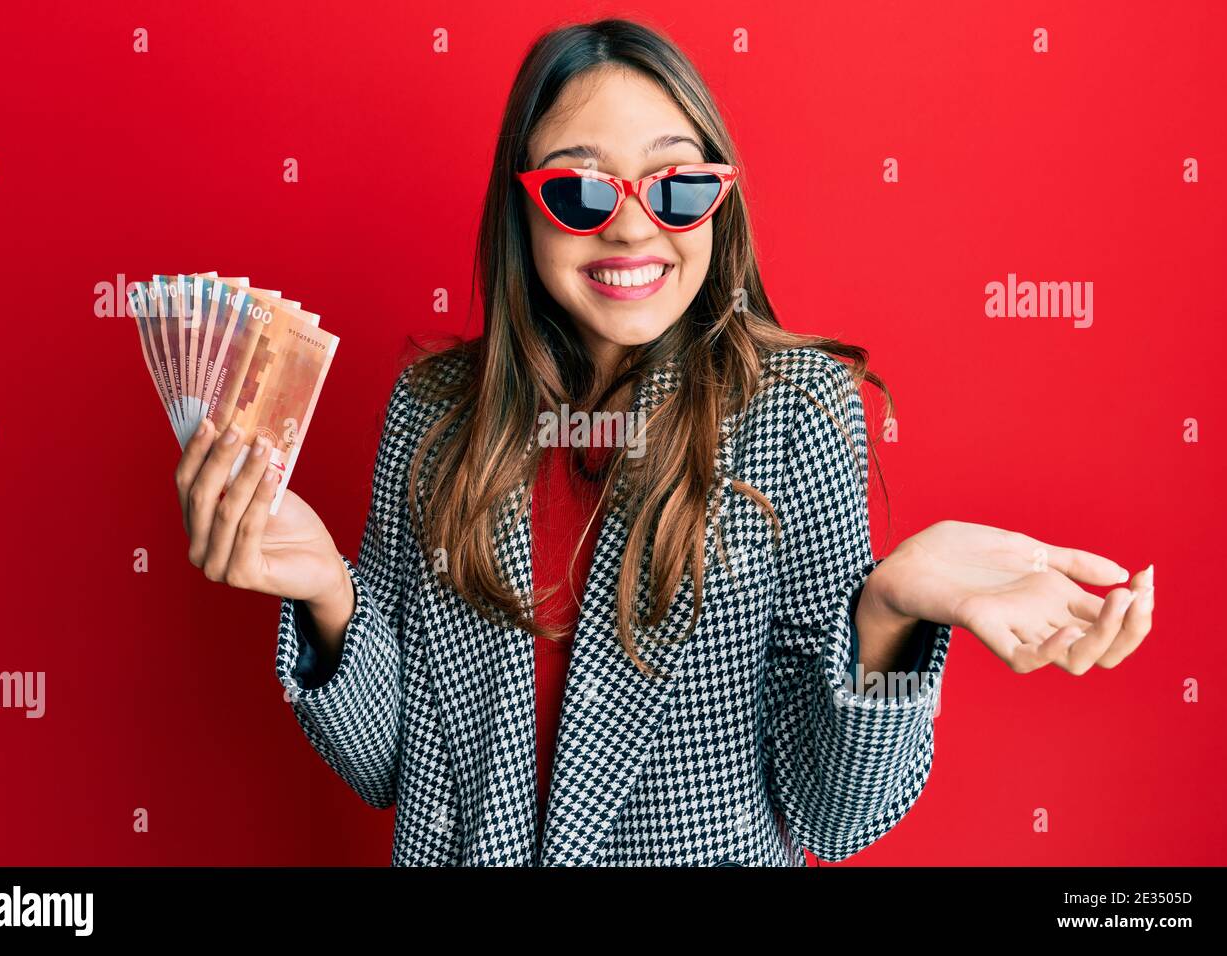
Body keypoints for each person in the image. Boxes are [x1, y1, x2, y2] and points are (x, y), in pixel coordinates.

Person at [173, 19, 1153, 866]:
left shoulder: (796, 409)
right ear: (523, 208)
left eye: (678, 186)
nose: (634, 228)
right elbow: (389, 765)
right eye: (580, 192)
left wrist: (889, 613)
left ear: (717, 202)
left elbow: (835, 814)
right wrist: (327, 595)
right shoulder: (432, 412)